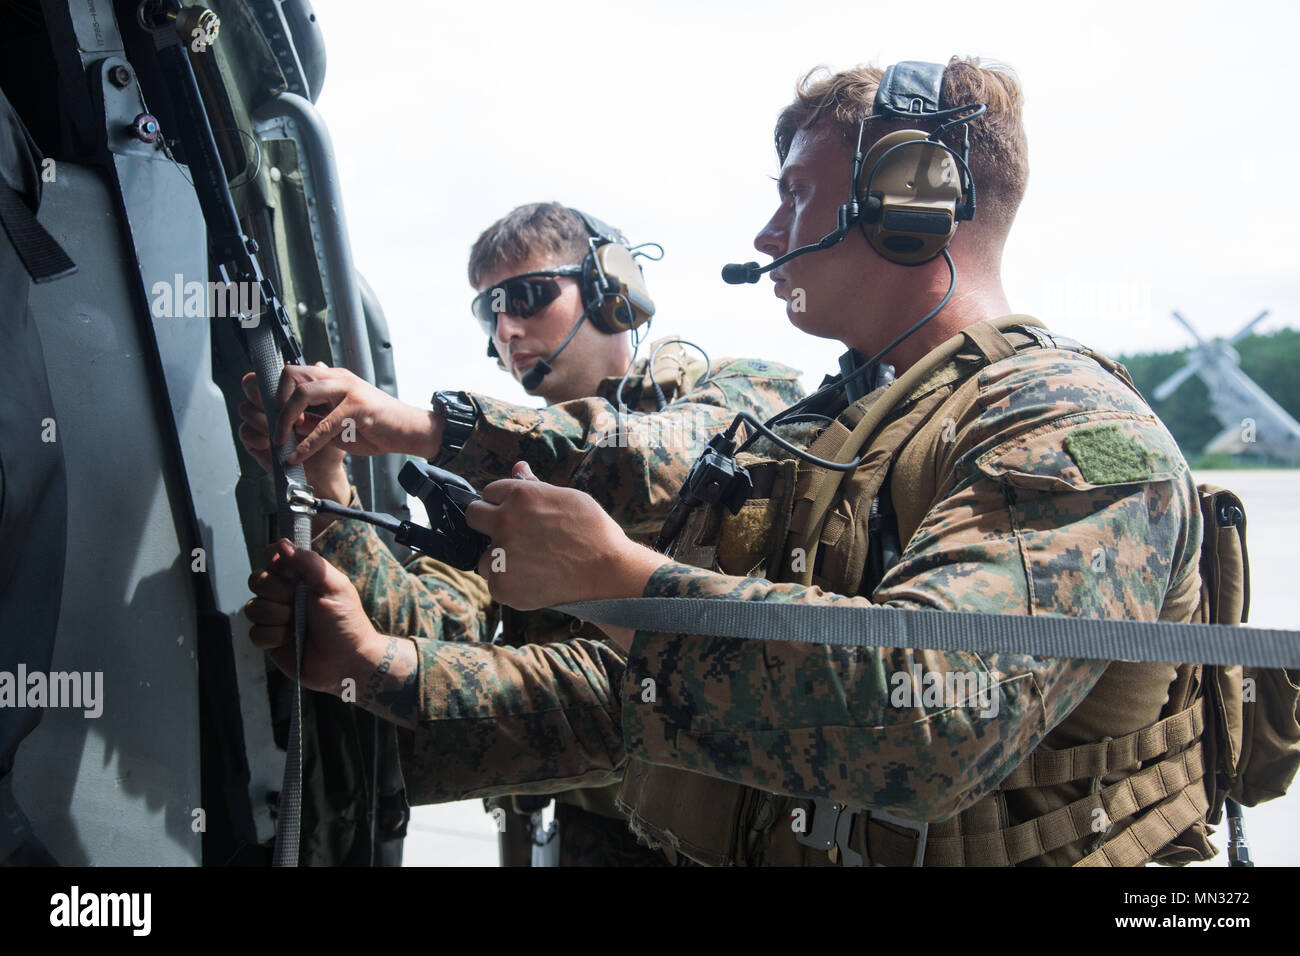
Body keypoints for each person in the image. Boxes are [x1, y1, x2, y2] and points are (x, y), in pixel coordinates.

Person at [247, 59, 1216, 866]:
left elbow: (935, 718)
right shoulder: (827, 433)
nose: (765, 235)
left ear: (908, 201)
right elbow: (665, 700)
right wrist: (384, 664)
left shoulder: (1069, 423)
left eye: (797, 195)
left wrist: (626, 580)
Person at [237, 202, 804, 865]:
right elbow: (430, 627)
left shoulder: (743, 394)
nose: (505, 329)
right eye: (489, 314)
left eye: (526, 297)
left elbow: (660, 458)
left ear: (609, 286)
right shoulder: (500, 480)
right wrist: (330, 489)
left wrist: (434, 427)